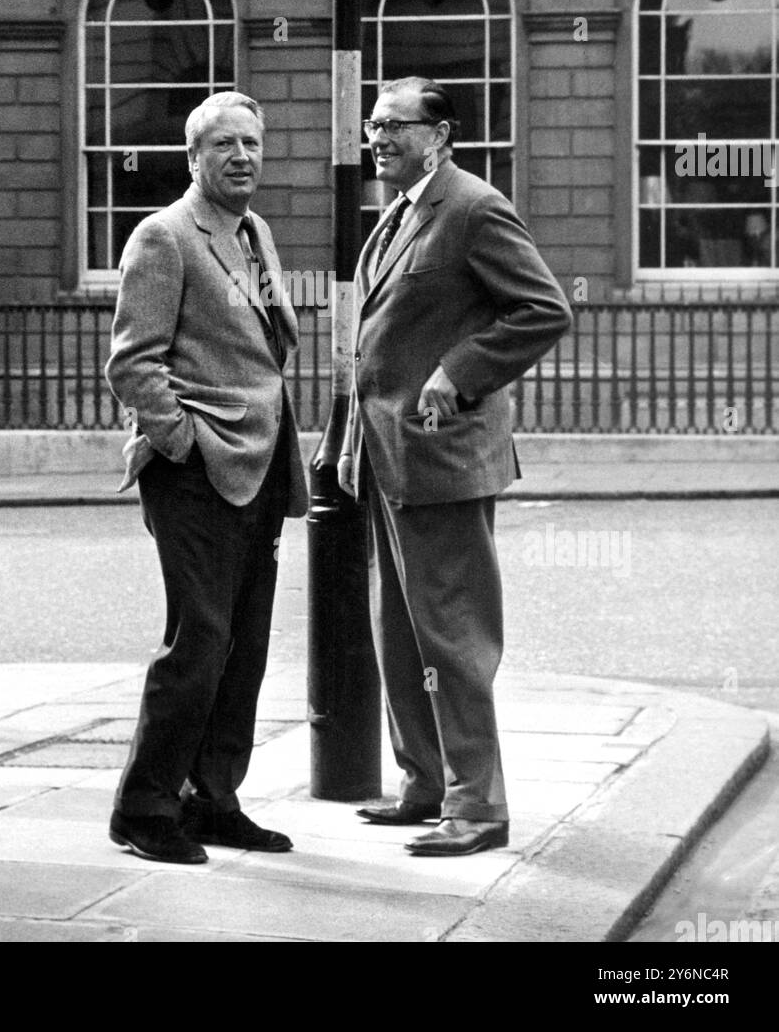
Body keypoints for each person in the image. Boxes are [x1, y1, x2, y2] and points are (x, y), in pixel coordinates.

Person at [338, 77, 572, 857]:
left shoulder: (473, 208)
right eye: (373, 125)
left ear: (442, 136)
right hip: (387, 457)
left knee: (454, 634)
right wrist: (347, 445)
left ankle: (479, 807)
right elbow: (372, 349)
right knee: (398, 629)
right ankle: (426, 783)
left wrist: (460, 371)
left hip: (443, 457)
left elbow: (543, 308)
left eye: (395, 126)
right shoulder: (393, 219)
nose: (379, 138)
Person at [105, 91, 308, 865]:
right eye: (223, 144)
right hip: (194, 470)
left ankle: (213, 800)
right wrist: (182, 440)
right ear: (193, 158)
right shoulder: (164, 237)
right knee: (200, 640)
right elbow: (133, 361)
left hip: (260, 464)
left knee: (243, 644)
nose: (242, 156)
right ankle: (145, 809)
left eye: (252, 142)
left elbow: (262, 349)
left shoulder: (255, 232)